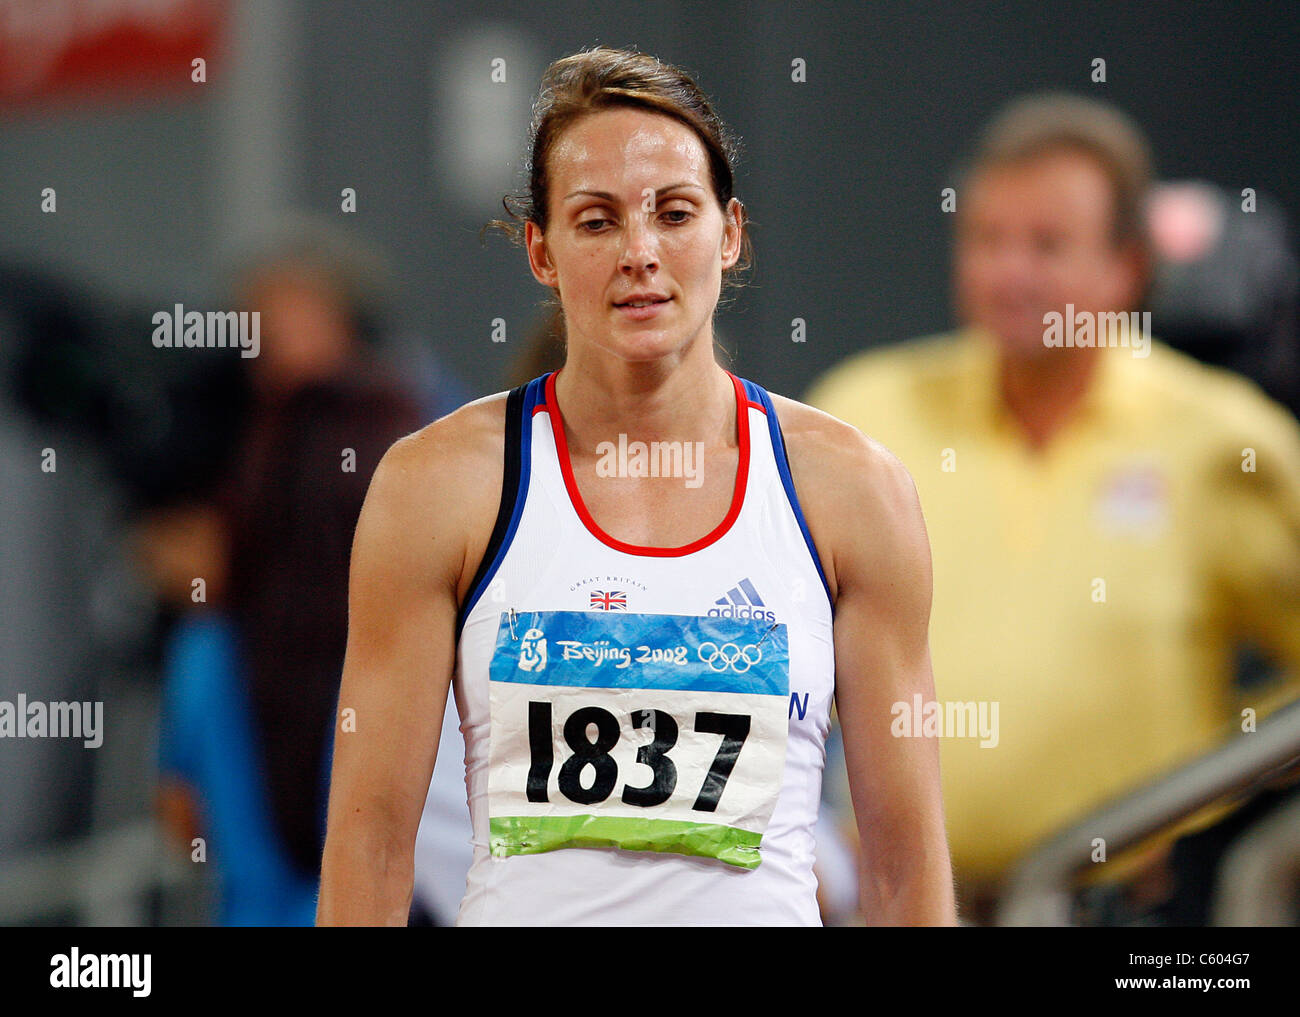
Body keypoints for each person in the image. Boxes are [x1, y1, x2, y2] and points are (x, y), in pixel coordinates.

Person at [316, 46, 956, 926]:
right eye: (596, 221)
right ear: (540, 251)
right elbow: (372, 843)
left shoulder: (852, 491)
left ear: (729, 234)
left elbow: (903, 864)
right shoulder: (438, 487)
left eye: (675, 213)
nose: (641, 253)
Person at [804, 92, 1300, 923]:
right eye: (986, 240)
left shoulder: (1221, 438)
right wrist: (808, 829)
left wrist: (1209, 789)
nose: (1010, 273)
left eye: (1046, 244)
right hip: (898, 904)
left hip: (1126, 909)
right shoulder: (866, 411)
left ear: (1127, 266)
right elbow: (758, 632)